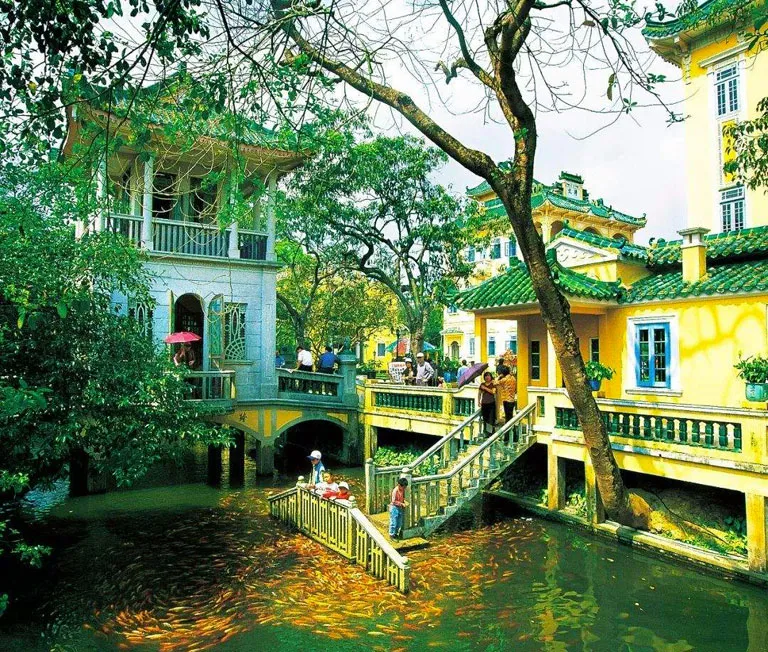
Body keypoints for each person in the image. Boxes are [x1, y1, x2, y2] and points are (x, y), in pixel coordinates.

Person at [478, 371, 496, 437]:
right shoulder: (482, 384)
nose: (487, 377)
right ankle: (486, 432)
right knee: (485, 419)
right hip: (484, 403)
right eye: (485, 376)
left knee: (490, 418)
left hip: (491, 403)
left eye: (488, 376)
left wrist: (485, 388)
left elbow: (493, 392)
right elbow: (479, 394)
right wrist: (478, 401)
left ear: (491, 377)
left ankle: (491, 433)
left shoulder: (493, 383)